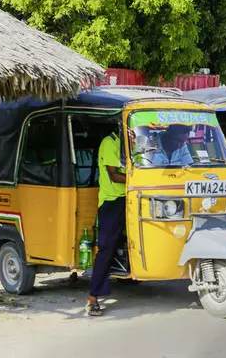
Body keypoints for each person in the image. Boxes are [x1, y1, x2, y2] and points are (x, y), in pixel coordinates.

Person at [86, 130, 126, 316]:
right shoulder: (110, 142)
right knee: (106, 247)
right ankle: (93, 297)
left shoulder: (133, 142)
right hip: (112, 201)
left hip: (130, 197)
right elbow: (114, 175)